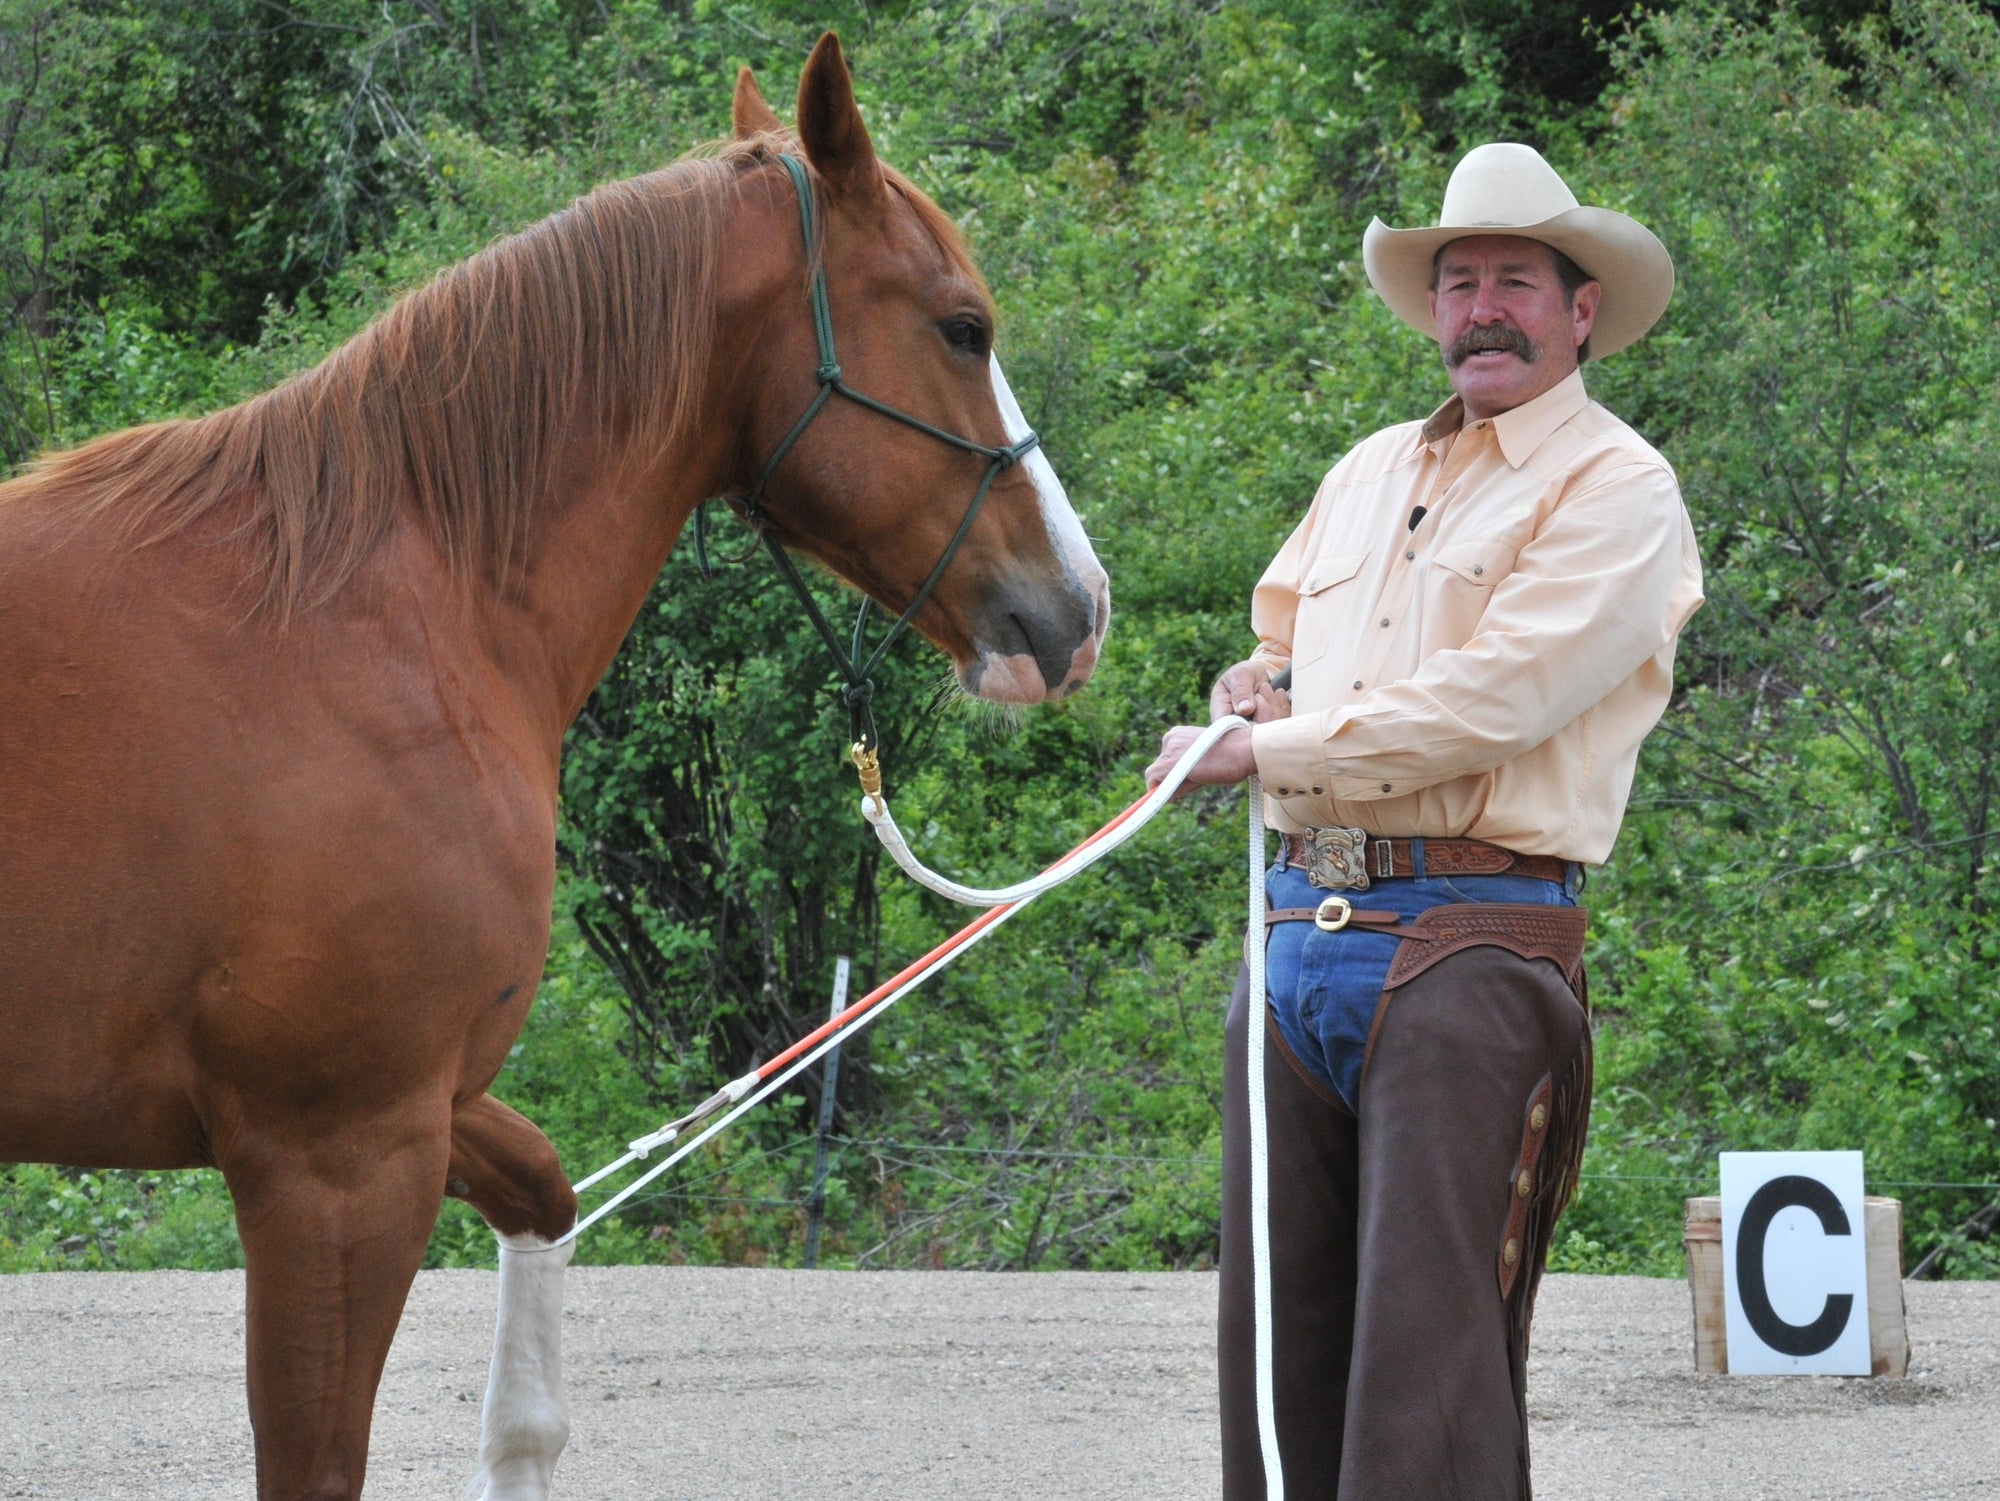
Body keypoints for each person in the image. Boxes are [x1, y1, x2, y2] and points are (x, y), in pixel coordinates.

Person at [1144, 143, 1705, 1499]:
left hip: (1472, 948)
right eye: (1460, 282)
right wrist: (1254, 688)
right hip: (1295, 943)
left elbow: (1489, 704)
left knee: (1426, 1384)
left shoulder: (1621, 491)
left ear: (1582, 312)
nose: (1483, 307)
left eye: (1517, 278)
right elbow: (1276, 640)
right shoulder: (1365, 468)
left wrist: (1263, 743)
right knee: (1274, 1367)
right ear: (1433, 308)